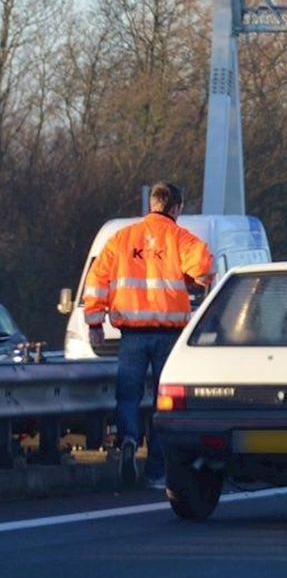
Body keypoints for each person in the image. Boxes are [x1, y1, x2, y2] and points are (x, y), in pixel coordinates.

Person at [84, 182, 212, 488]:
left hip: (131, 334)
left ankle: (128, 438)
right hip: (169, 334)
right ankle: (156, 472)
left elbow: (97, 279)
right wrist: (189, 278)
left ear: (152, 204)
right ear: (176, 208)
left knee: (127, 393)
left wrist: (94, 322)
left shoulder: (122, 238)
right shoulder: (180, 237)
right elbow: (204, 269)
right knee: (163, 403)